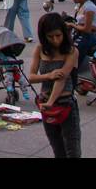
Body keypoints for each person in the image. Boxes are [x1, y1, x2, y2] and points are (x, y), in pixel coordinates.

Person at [28, 12, 81, 158]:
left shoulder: (71, 51)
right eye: (50, 37)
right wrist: (48, 76)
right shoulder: (40, 49)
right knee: (57, 149)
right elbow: (31, 77)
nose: (56, 40)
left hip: (65, 105)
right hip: (46, 105)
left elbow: (62, 78)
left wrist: (51, 101)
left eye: (58, 35)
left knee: (72, 150)